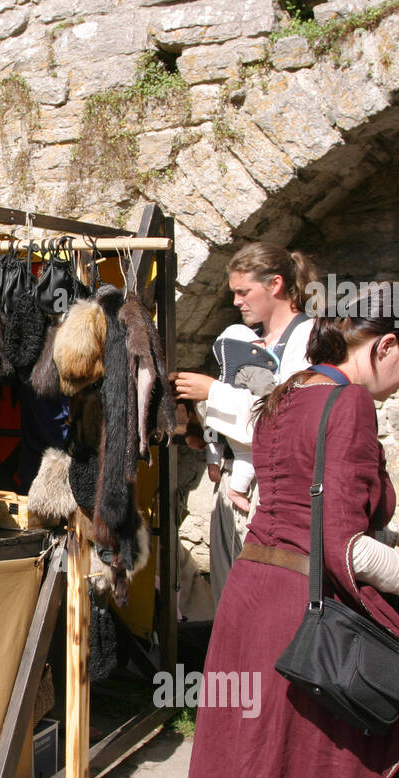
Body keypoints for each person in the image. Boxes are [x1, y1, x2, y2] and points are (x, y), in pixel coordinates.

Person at [171, 287, 399, 778]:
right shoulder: (351, 402)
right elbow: (342, 548)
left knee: (248, 771)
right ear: (387, 345)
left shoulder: (287, 394)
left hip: (250, 603)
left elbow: (294, 516)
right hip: (298, 616)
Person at [172, 242, 317, 604]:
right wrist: (198, 422)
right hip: (229, 485)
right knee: (227, 601)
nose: (236, 302)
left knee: (261, 601)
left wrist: (214, 392)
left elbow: (288, 419)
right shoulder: (247, 341)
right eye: (234, 292)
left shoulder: (307, 340)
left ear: (276, 285)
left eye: (243, 291)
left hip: (269, 490)